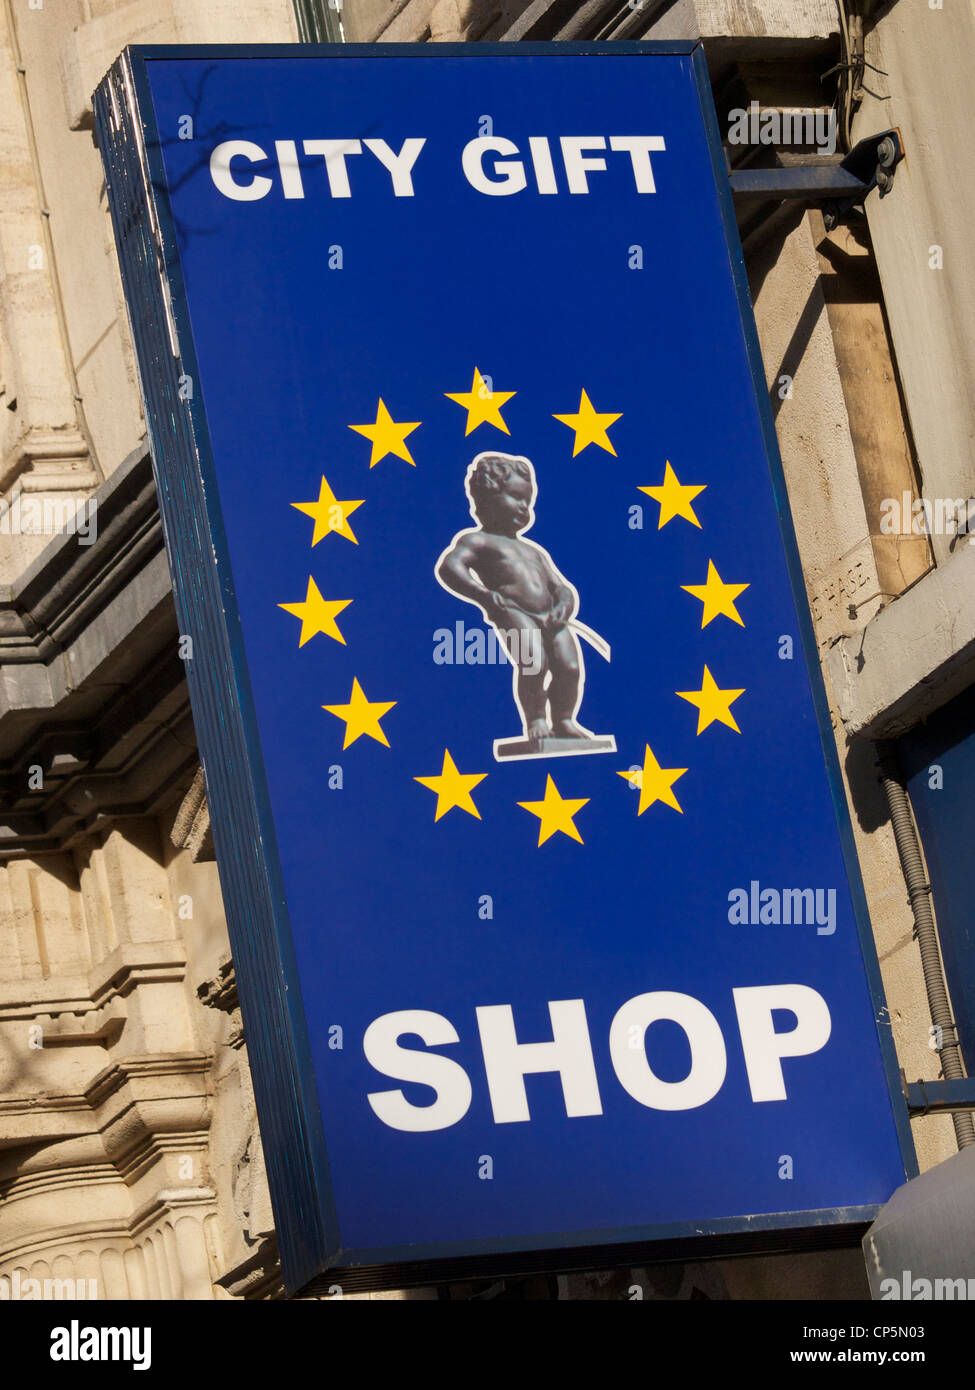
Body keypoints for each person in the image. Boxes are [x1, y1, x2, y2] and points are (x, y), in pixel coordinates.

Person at [436, 451, 596, 749]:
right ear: (486, 499)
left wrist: (563, 605)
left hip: (551, 615)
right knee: (533, 660)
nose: (525, 507)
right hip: (513, 610)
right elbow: (450, 567)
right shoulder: (478, 540)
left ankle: (563, 719)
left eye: (529, 501)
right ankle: (536, 719)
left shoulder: (534, 551)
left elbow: (561, 587)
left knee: (570, 666)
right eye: (517, 498)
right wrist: (483, 595)